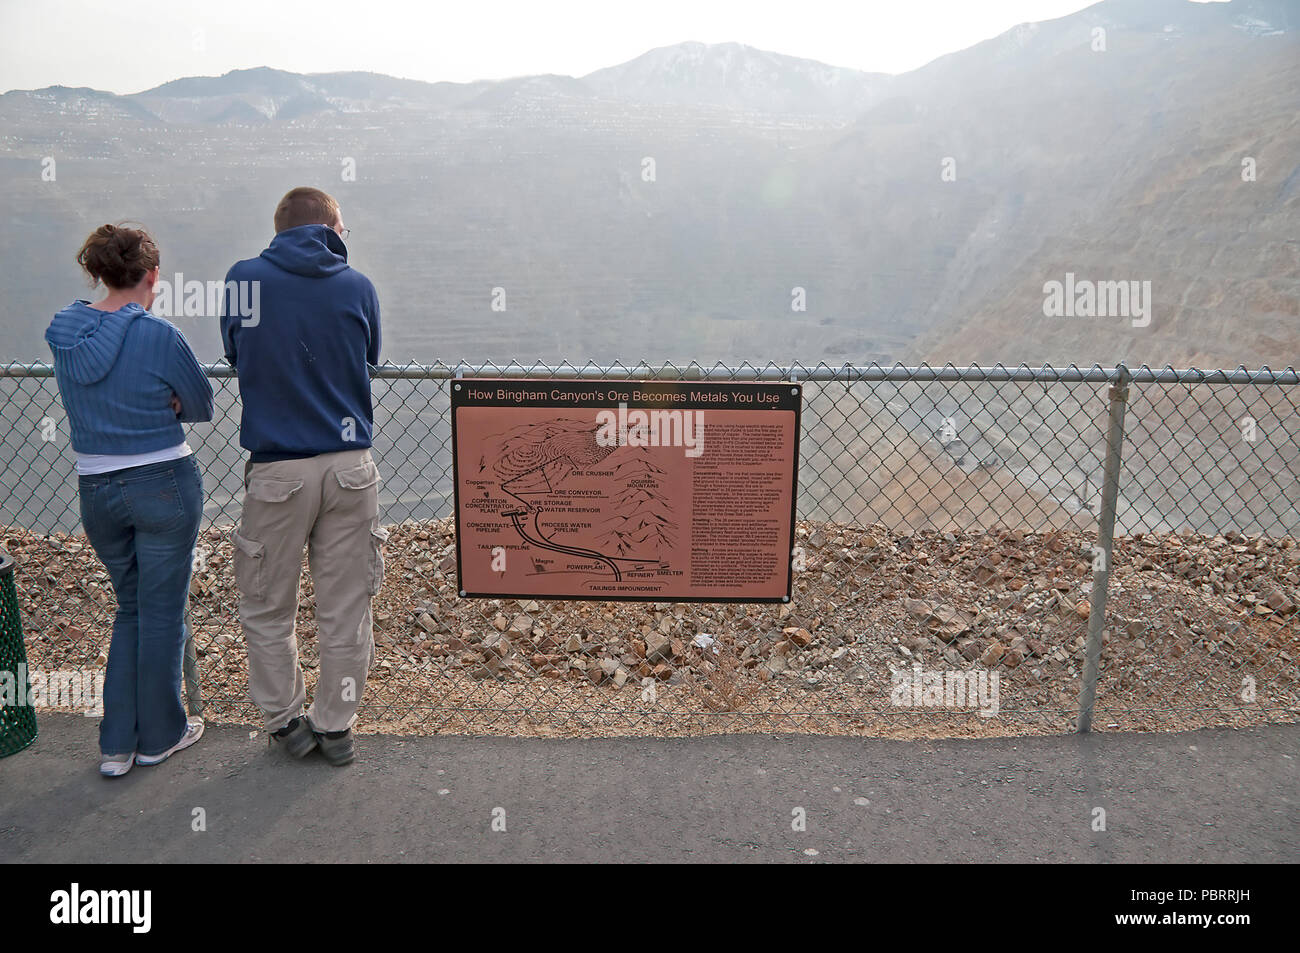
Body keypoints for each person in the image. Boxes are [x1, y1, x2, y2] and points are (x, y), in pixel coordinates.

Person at [221, 187, 383, 766]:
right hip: (349, 469)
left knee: (268, 605)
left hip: (278, 469)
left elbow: (236, 353)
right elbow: (373, 355)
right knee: (345, 608)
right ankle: (336, 725)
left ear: (278, 228)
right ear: (333, 227)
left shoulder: (244, 279)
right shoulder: (357, 285)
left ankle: (287, 723)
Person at [46, 223, 214, 777]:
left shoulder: (65, 332)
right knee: (162, 612)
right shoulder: (159, 336)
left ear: (97, 272)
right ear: (152, 276)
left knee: (131, 608)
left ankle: (117, 744)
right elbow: (199, 403)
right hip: (163, 481)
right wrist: (164, 402)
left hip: (95, 488)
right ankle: (161, 736)